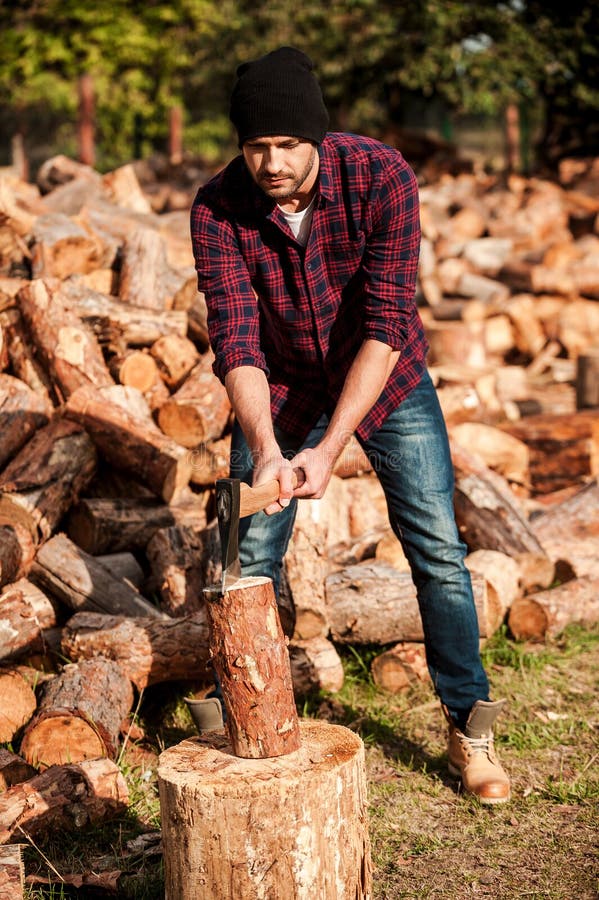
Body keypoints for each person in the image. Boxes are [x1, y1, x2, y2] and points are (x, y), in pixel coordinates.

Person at [190, 46, 510, 804]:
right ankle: (236, 719)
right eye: (256, 145)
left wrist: (330, 448)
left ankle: (472, 730)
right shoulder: (216, 206)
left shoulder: (381, 177)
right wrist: (268, 450)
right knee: (240, 552)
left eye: (287, 145)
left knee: (436, 547)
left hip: (385, 377)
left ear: (317, 138)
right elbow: (235, 336)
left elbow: (386, 317)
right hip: (281, 386)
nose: (270, 162)